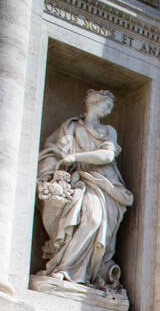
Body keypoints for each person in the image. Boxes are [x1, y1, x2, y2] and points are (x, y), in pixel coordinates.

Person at [36, 89, 134, 292]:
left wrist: (75, 158)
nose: (109, 110)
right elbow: (54, 151)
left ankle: (81, 273)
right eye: (106, 105)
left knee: (95, 220)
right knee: (80, 220)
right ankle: (65, 269)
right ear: (93, 103)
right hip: (79, 181)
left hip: (105, 184)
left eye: (111, 107)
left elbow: (107, 156)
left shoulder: (108, 131)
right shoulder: (70, 127)